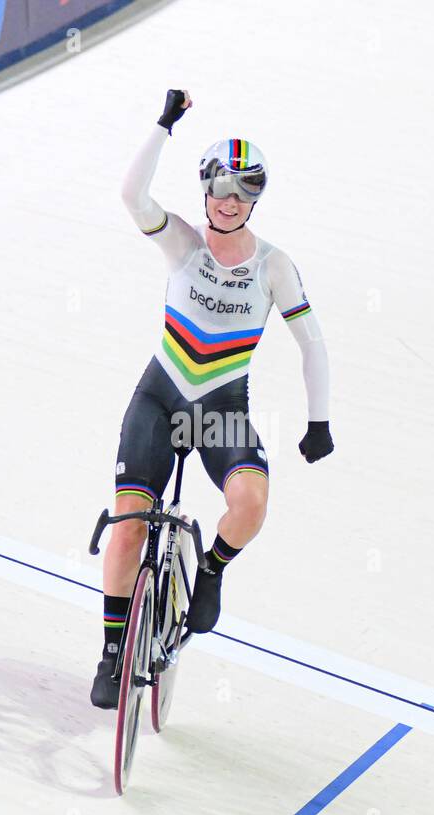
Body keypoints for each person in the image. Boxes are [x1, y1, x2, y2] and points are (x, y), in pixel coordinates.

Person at [91, 89, 333, 709]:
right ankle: (114, 650)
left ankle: (211, 571)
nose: (229, 204)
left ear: (254, 201)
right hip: (160, 400)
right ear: (205, 195)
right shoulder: (182, 242)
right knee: (125, 532)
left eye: (242, 195)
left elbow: (312, 345)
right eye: (221, 192)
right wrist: (163, 124)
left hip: (221, 414)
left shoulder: (274, 266)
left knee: (251, 504)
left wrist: (318, 421)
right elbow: (130, 197)